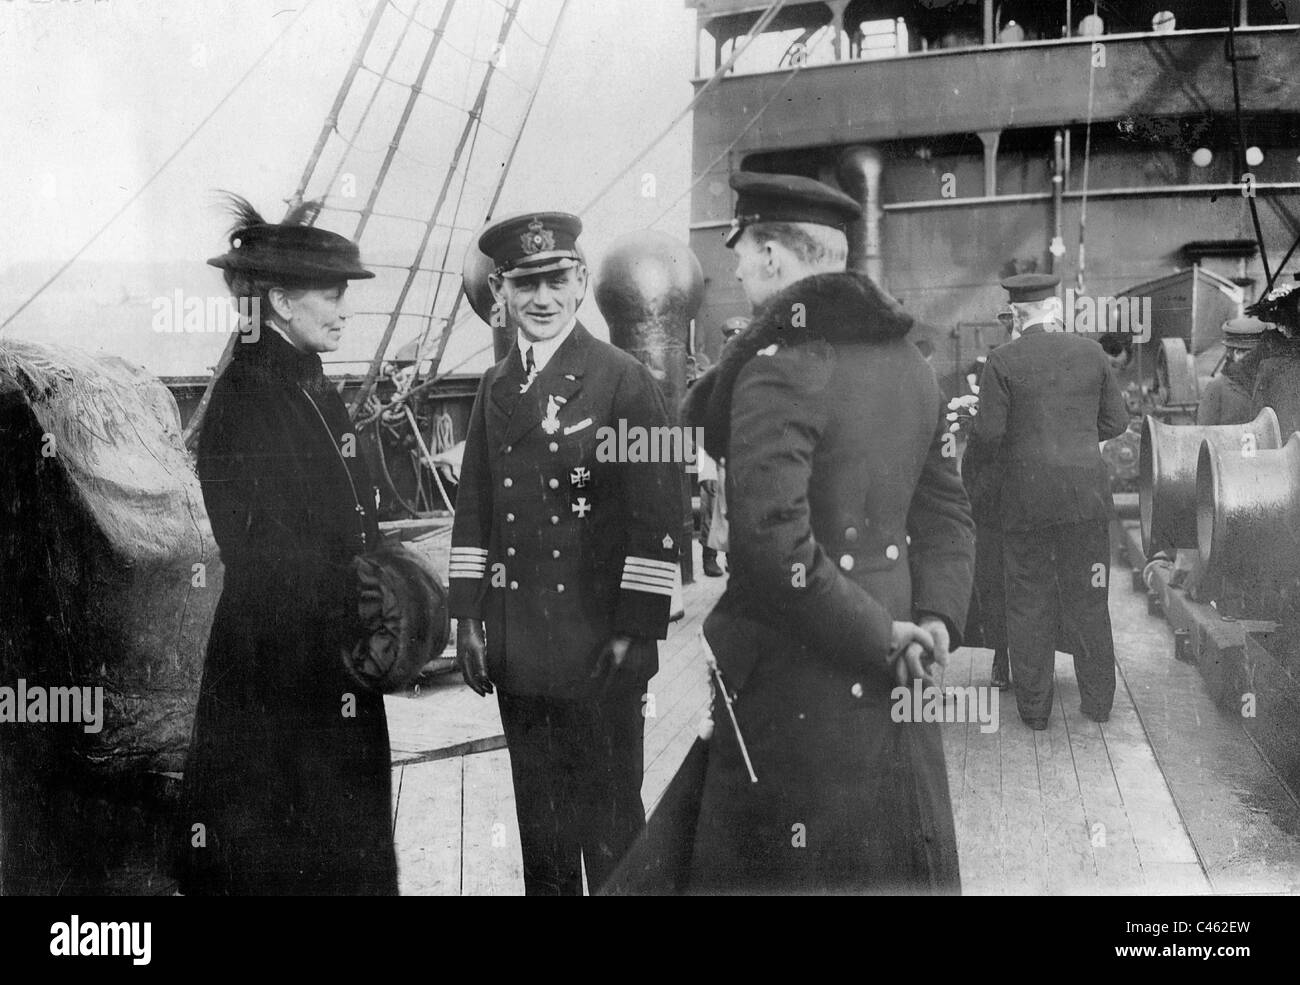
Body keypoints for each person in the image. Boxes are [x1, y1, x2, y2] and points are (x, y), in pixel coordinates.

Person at [682, 172, 975, 892]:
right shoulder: (912, 365)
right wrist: (931, 622)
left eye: (743, 253)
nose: (740, 269)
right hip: (900, 667)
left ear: (777, 257)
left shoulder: (778, 367)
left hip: (797, 676)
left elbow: (771, 543)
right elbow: (945, 514)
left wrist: (883, 637)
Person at [449, 212, 684, 895]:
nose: (542, 298)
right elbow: (476, 508)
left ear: (580, 283)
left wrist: (636, 629)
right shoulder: (495, 389)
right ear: (502, 292)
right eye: (526, 285)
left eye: (556, 279)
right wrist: (467, 616)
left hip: (600, 651)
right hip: (522, 653)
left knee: (612, 829)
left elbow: (659, 518)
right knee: (543, 836)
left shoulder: (625, 379)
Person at [177, 195, 398, 895]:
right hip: (276, 677)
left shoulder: (305, 384)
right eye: (331, 294)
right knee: (285, 856)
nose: (343, 310)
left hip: (324, 665)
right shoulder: (248, 400)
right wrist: (357, 587)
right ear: (278, 300)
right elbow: (265, 559)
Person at [970, 273, 1129, 730]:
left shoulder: (1002, 360)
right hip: (1085, 499)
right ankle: (1098, 704)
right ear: (1056, 310)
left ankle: (1035, 711)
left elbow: (988, 435)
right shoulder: (1092, 352)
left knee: (1028, 600)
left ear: (1017, 316)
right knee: (1089, 598)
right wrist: (1075, 440)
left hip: (1025, 503)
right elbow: (1117, 423)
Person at [696, 316, 747, 577]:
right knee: (712, 508)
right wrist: (705, 470)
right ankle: (708, 556)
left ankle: (735, 560)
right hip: (717, 458)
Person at [1197, 317, 1266, 426]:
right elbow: (1204, 434)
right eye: (1251, 354)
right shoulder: (1217, 388)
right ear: (1236, 354)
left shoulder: (1268, 384)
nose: (1257, 359)